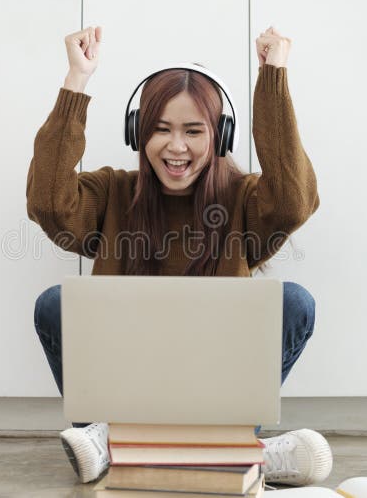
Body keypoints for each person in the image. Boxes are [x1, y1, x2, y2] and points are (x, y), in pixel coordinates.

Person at [27, 25, 330, 487]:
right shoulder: (112, 192)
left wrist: (273, 78)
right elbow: (48, 202)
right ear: (137, 133)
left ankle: (125, 447)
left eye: (193, 131)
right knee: (55, 303)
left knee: (295, 302)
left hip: (216, 396)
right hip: (120, 390)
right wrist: (77, 80)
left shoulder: (243, 200)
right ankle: (239, 455)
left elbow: (293, 199)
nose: (176, 147)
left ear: (221, 136)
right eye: (161, 130)